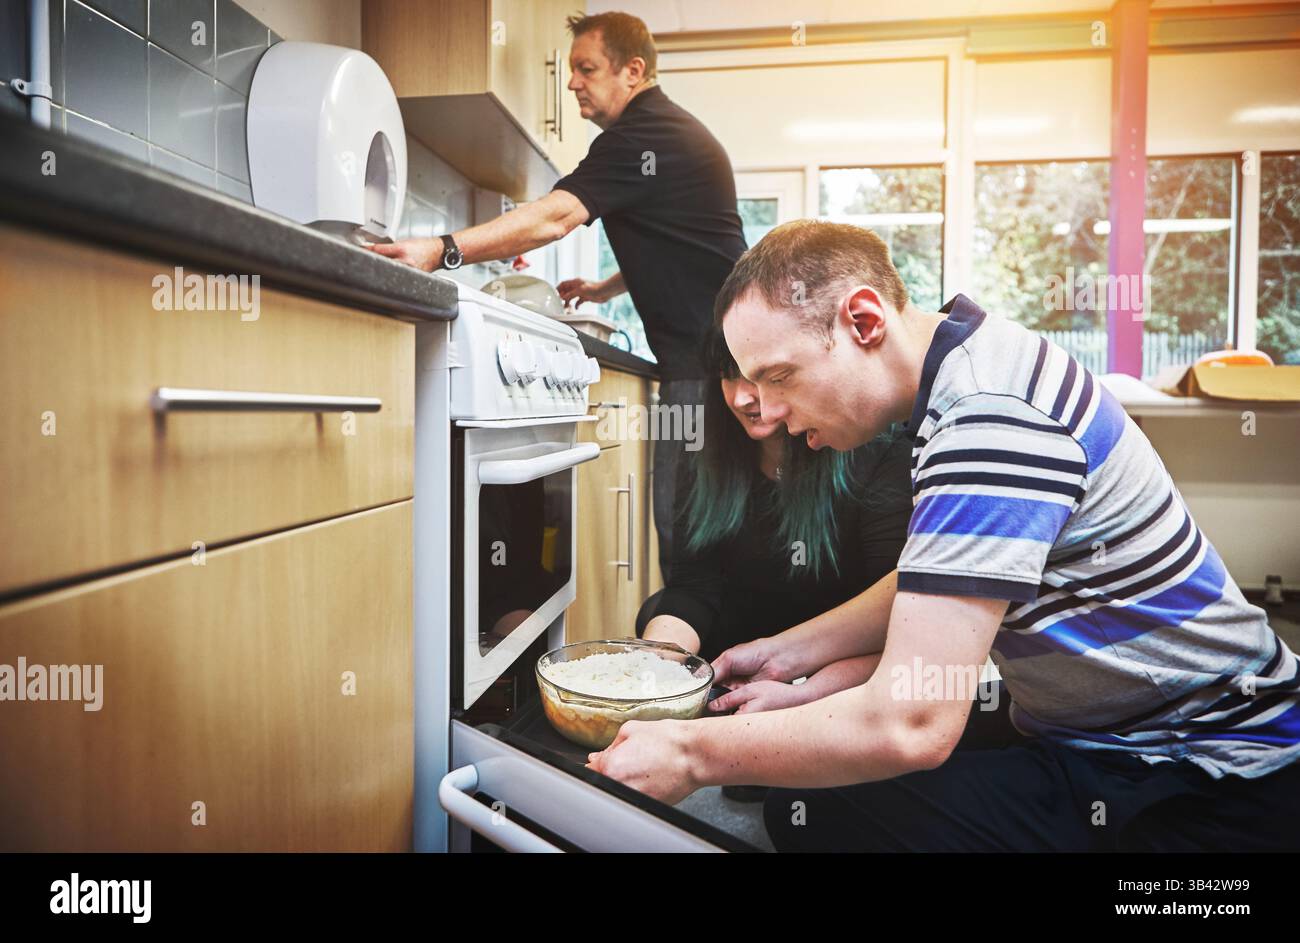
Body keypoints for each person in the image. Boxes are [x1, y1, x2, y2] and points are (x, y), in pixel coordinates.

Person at [587, 220, 1300, 852]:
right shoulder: (969, 370)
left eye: (780, 377)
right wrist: (789, 652)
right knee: (815, 788)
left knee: (826, 808)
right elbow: (944, 568)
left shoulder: (987, 420)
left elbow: (913, 722)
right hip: (1108, 730)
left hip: (1206, 770)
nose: (766, 410)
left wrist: (689, 751)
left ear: (864, 321)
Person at [369, 11, 747, 583]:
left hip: (706, 368)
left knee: (687, 541)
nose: (573, 83)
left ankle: (704, 667)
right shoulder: (668, 131)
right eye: (570, 70)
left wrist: (441, 248)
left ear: (633, 71)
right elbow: (688, 240)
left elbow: (556, 215)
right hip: (723, 361)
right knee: (707, 538)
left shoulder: (641, 136)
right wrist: (605, 287)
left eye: (586, 68)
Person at [636, 328, 913, 718]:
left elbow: (896, 613)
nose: (740, 396)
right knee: (656, 618)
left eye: (756, 376)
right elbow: (693, 585)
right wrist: (653, 669)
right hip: (742, 642)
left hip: (840, 647)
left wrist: (800, 680)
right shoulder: (704, 453)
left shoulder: (873, 448)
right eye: (728, 376)